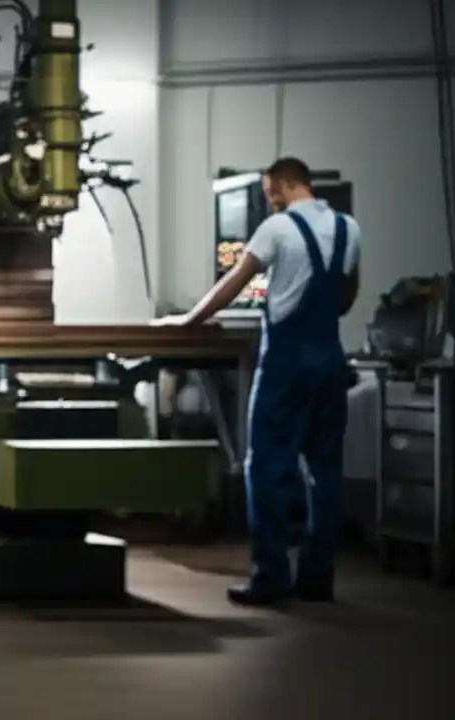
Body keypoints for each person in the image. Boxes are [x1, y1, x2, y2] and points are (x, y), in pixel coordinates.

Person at [155, 157, 360, 605]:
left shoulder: (278, 229)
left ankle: (270, 577)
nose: (270, 202)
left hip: (287, 360)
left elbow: (236, 280)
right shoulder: (349, 228)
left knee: (265, 466)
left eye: (271, 193)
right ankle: (316, 578)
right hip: (330, 356)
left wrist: (191, 319)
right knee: (324, 472)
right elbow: (347, 294)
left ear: (286, 185)